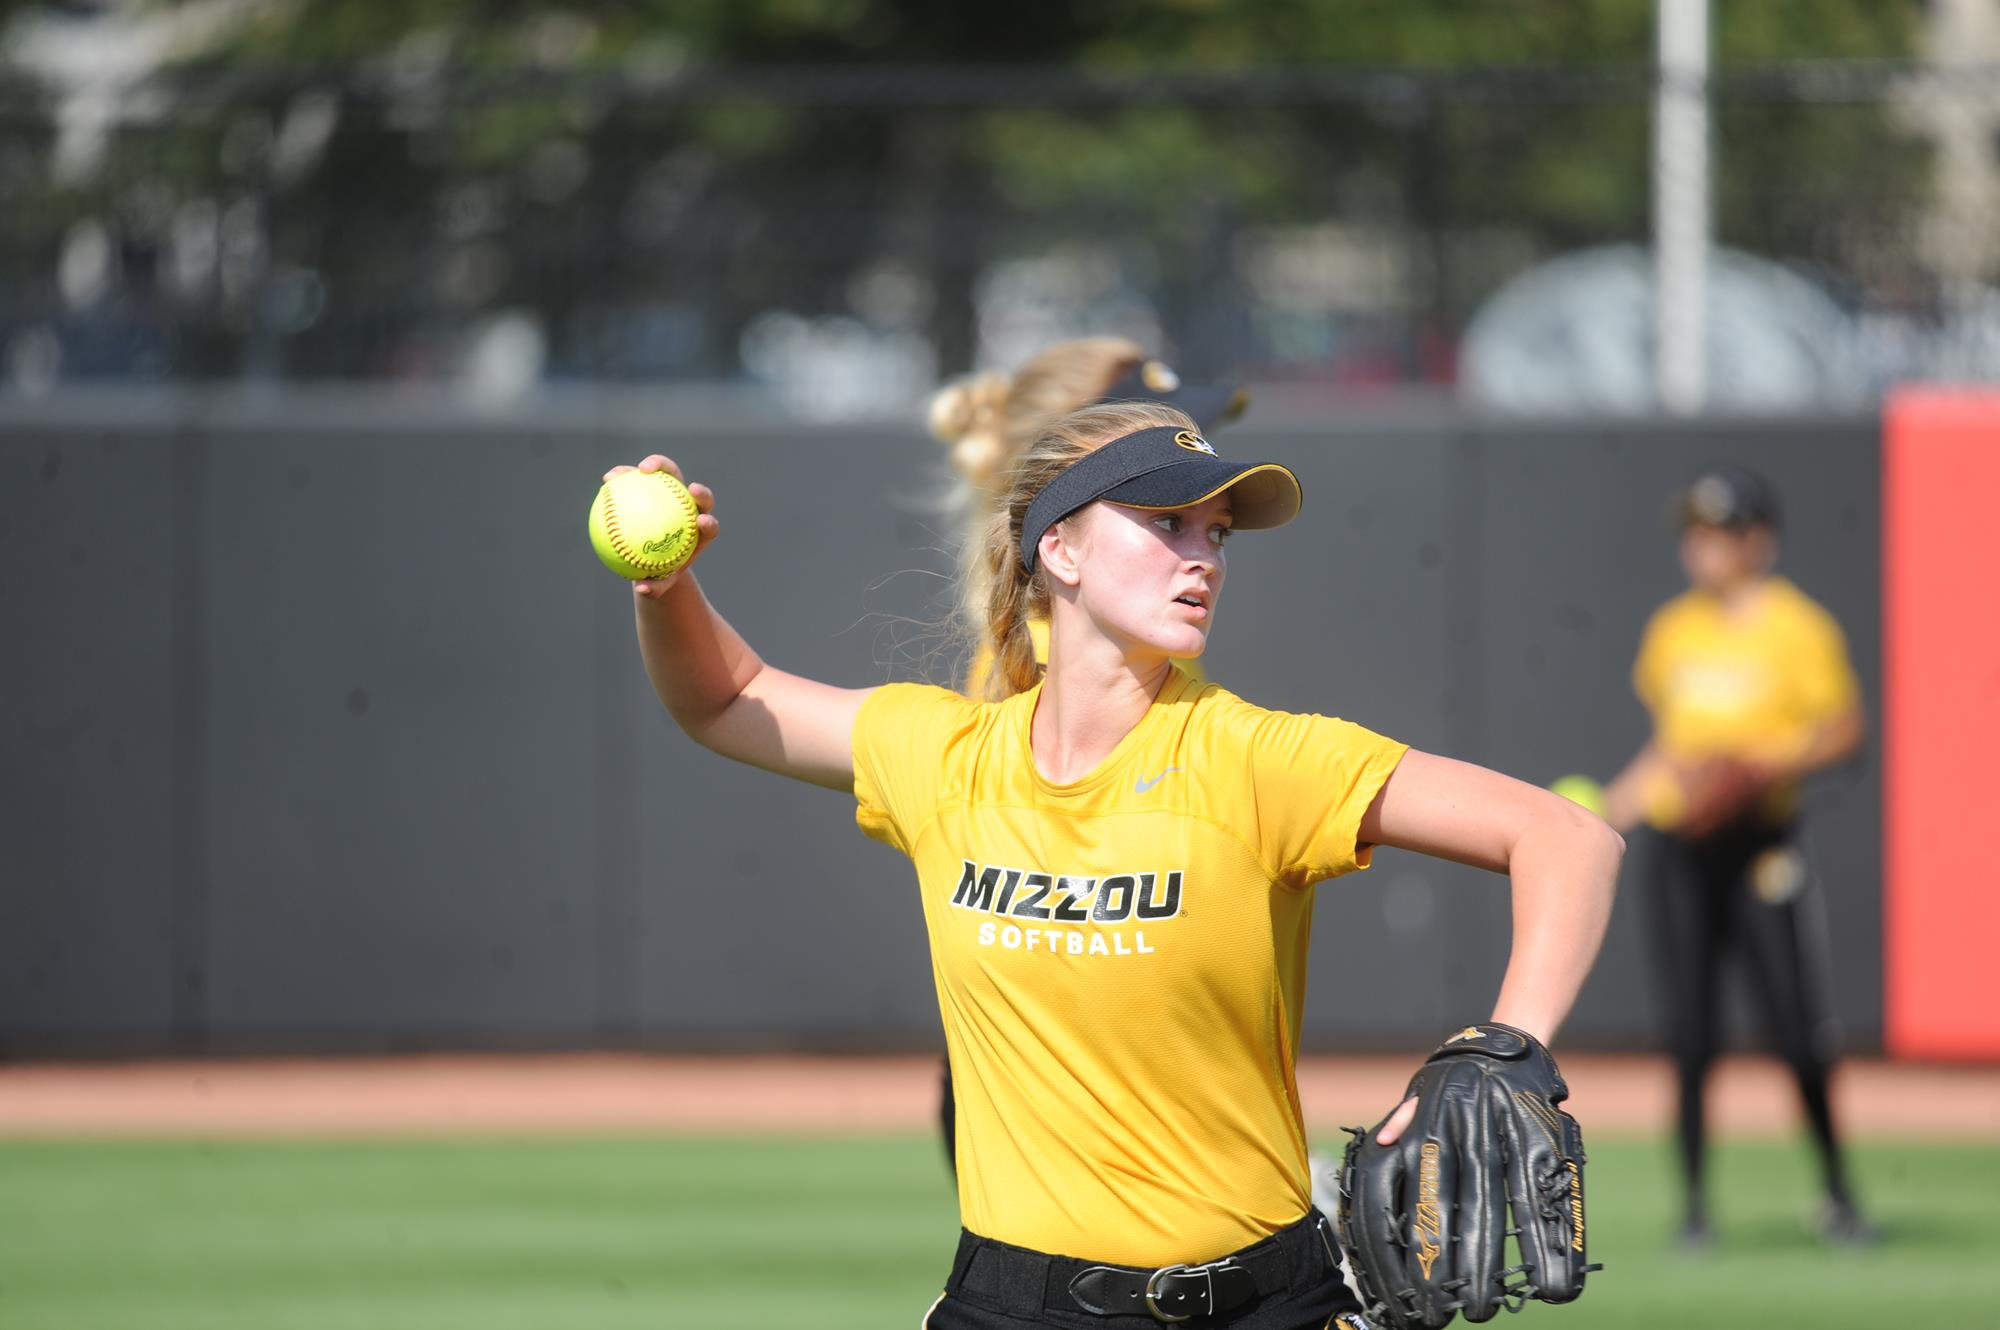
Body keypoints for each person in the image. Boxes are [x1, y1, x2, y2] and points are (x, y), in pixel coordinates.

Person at [609, 401, 1621, 1329]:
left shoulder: (1256, 758)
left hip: (1256, 1303)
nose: (1203, 558)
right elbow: (724, 699)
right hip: (1011, 1306)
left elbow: (1567, 836)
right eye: (1166, 522)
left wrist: (1508, 1046)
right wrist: (668, 588)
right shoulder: (945, 757)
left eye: (1214, 532)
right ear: (1061, 548)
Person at [925, 338, 1246, 1173]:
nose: (1197, 458)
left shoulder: (1140, 644)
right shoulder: (1034, 669)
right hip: (1061, 1074)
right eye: (1164, 504)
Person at [1595, 464, 1873, 1249]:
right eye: (1693, 530)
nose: (1700, 546)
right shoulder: (1674, 630)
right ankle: (1693, 1206)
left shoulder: (1797, 626)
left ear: (1760, 541)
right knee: (1690, 1033)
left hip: (1759, 846)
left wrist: (1762, 766)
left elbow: (1843, 728)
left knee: (1793, 1025)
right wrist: (1604, 815)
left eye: (1717, 531)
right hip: (1683, 849)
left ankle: (1839, 1195)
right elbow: (1669, 754)